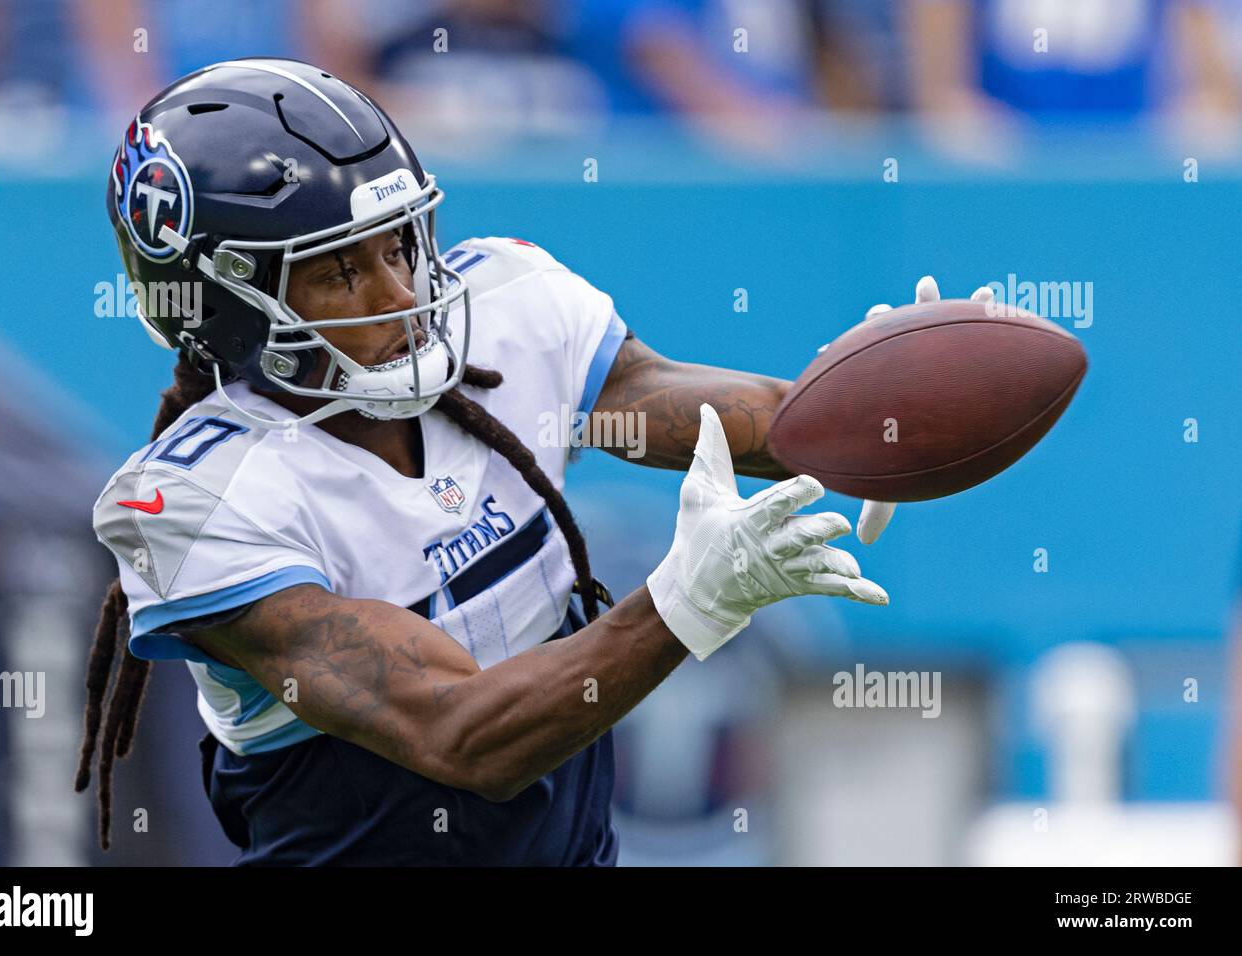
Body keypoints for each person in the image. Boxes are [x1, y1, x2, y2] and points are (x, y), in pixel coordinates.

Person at [76, 57, 967, 865]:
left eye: (400, 245)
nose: (402, 296)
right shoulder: (200, 498)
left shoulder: (507, 315)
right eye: (340, 273)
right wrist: (686, 602)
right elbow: (465, 740)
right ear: (223, 307)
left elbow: (739, 422)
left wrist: (867, 402)